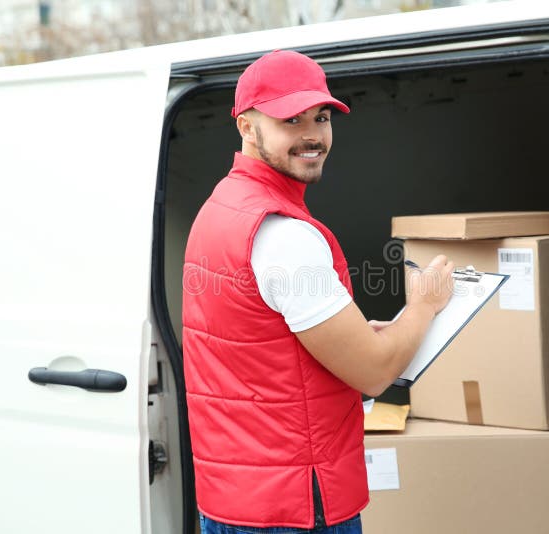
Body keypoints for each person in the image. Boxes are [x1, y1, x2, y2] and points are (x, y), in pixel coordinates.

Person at [182, 49, 454, 534]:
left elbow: (255, 346)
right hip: (293, 508)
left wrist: (350, 335)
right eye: (290, 119)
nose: (312, 135)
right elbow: (373, 373)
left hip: (236, 500)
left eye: (321, 117)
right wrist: (425, 305)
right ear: (247, 126)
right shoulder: (282, 234)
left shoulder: (223, 206)